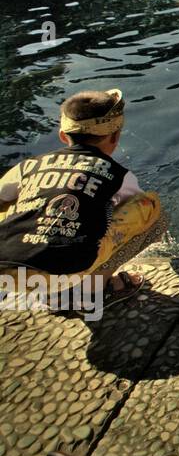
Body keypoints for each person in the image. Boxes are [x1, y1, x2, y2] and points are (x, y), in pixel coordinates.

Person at [0, 89, 168, 310]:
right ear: (116, 136)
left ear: (62, 135)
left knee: (11, 200)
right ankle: (95, 291)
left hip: (5, 267)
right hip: (64, 270)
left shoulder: (29, 165)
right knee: (150, 210)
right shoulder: (118, 175)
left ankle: (53, 295)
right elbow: (133, 212)